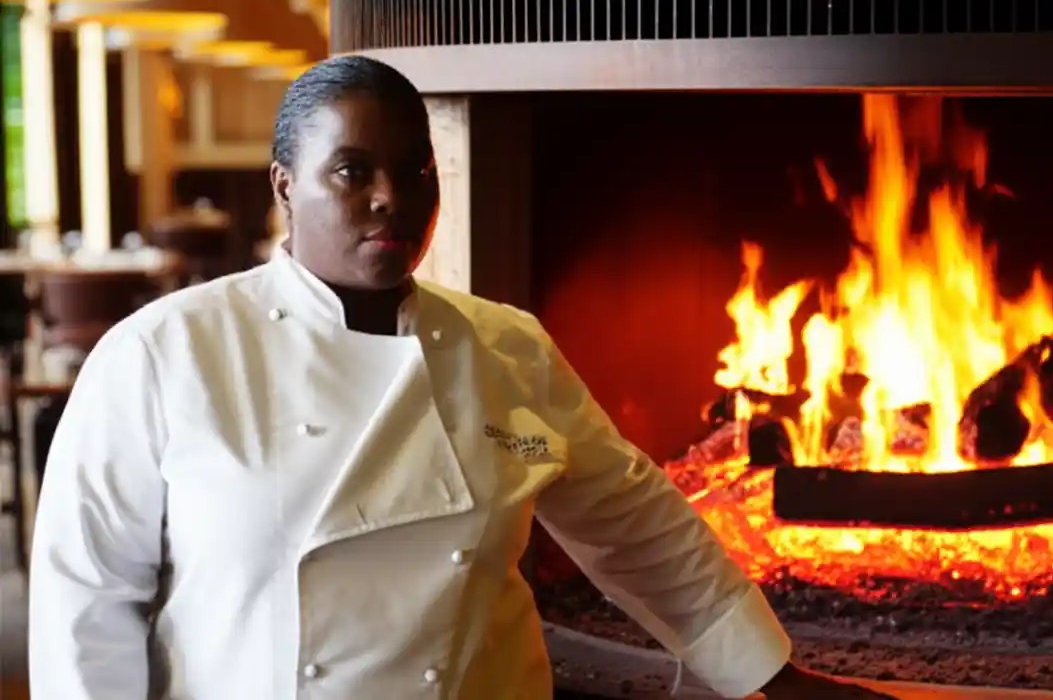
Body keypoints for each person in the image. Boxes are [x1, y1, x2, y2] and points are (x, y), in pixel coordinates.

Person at [27, 55, 897, 700]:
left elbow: (633, 524)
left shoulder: (504, 346)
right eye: (352, 171)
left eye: (415, 170)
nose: (390, 199)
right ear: (285, 186)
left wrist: (771, 679)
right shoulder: (168, 352)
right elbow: (88, 602)